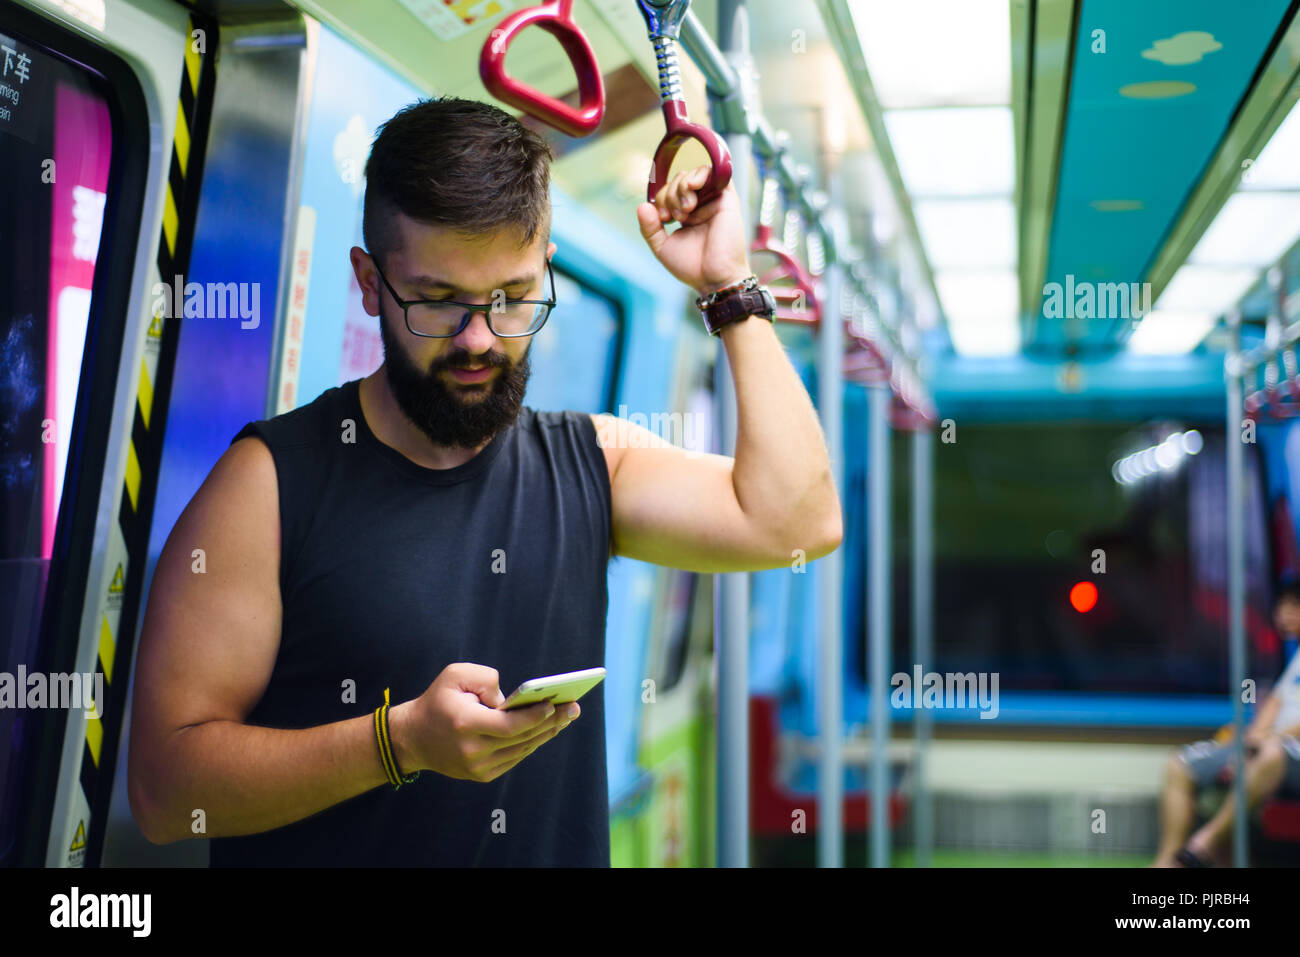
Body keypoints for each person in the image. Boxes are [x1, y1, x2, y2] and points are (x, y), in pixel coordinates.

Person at [126, 97, 842, 865]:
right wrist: (396, 742)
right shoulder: (268, 485)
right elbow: (167, 796)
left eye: (512, 298)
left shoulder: (593, 462)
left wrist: (730, 287)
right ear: (370, 283)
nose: (479, 340)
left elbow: (796, 523)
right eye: (438, 302)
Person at [1153, 583, 1300, 866]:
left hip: (1287, 753)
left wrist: (1266, 740)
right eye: (1282, 606)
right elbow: (1274, 706)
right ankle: (1168, 861)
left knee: (1270, 755)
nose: (1283, 614)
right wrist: (1249, 742)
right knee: (1180, 763)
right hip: (1268, 745)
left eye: (1294, 606)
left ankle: (1203, 845)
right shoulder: (1295, 660)